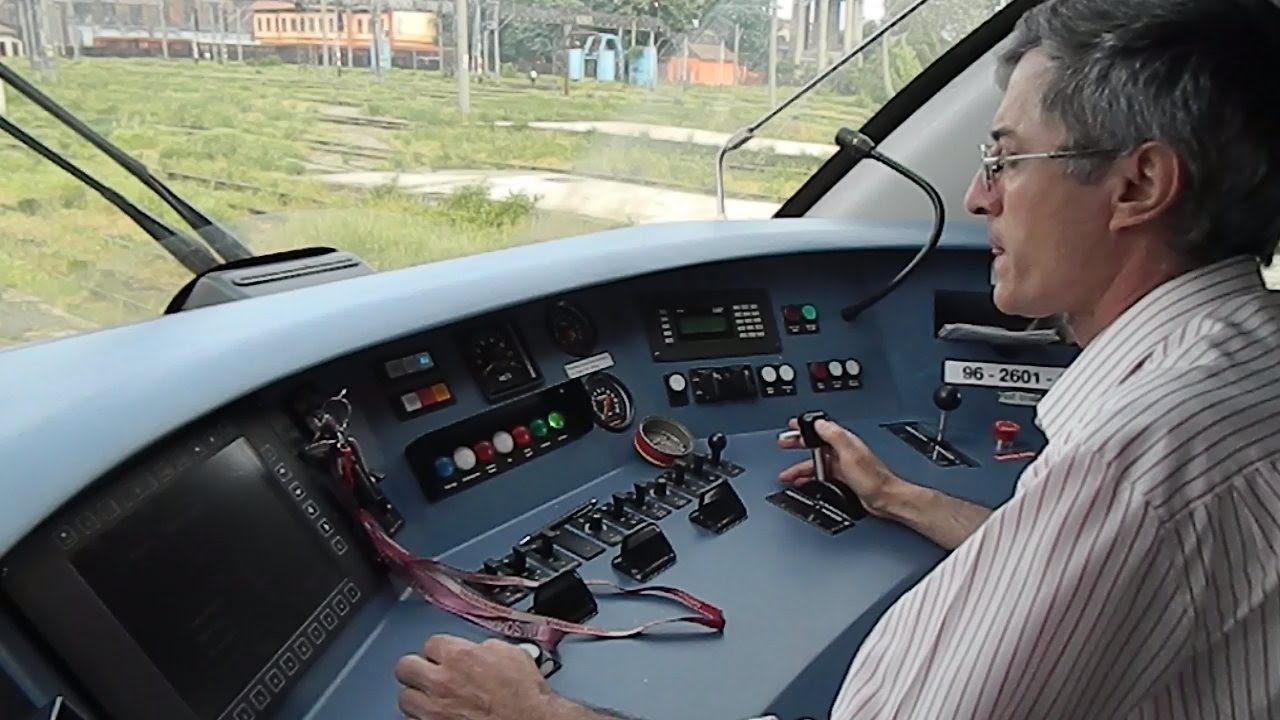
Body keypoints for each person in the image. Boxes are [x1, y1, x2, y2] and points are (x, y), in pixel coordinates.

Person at [392, 0, 1280, 717]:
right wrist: (897, 496)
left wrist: (532, 714)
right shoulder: (1241, 369)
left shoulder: (1141, 459)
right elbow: (1092, 589)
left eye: (1006, 160)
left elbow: (1123, 535)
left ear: (1137, 186)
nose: (977, 197)